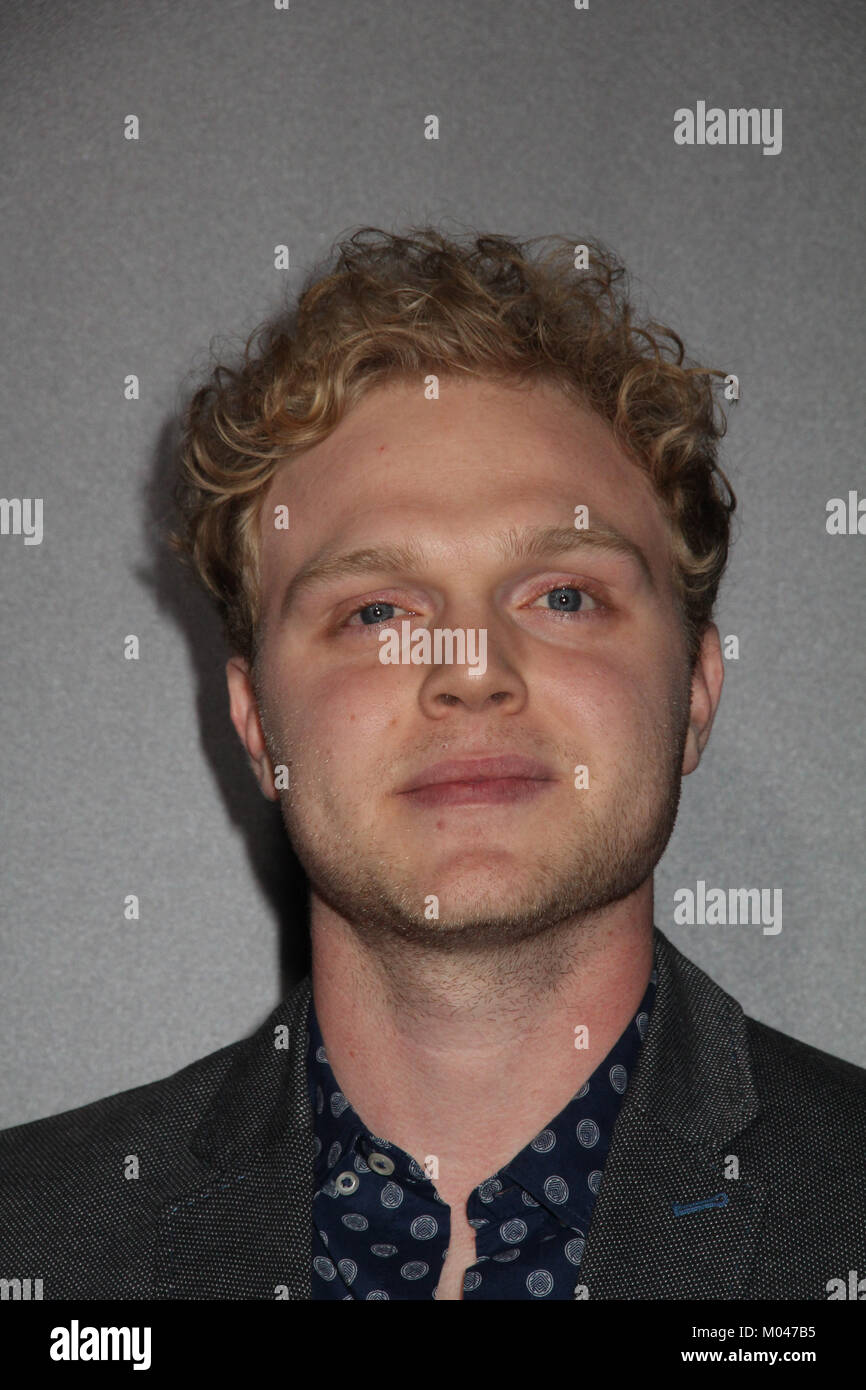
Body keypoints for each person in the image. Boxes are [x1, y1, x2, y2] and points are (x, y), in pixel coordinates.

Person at [2, 226, 864, 1301]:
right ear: (258, 725)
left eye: (561, 595)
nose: (469, 671)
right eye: (375, 611)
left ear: (691, 690)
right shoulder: (28, 1249)